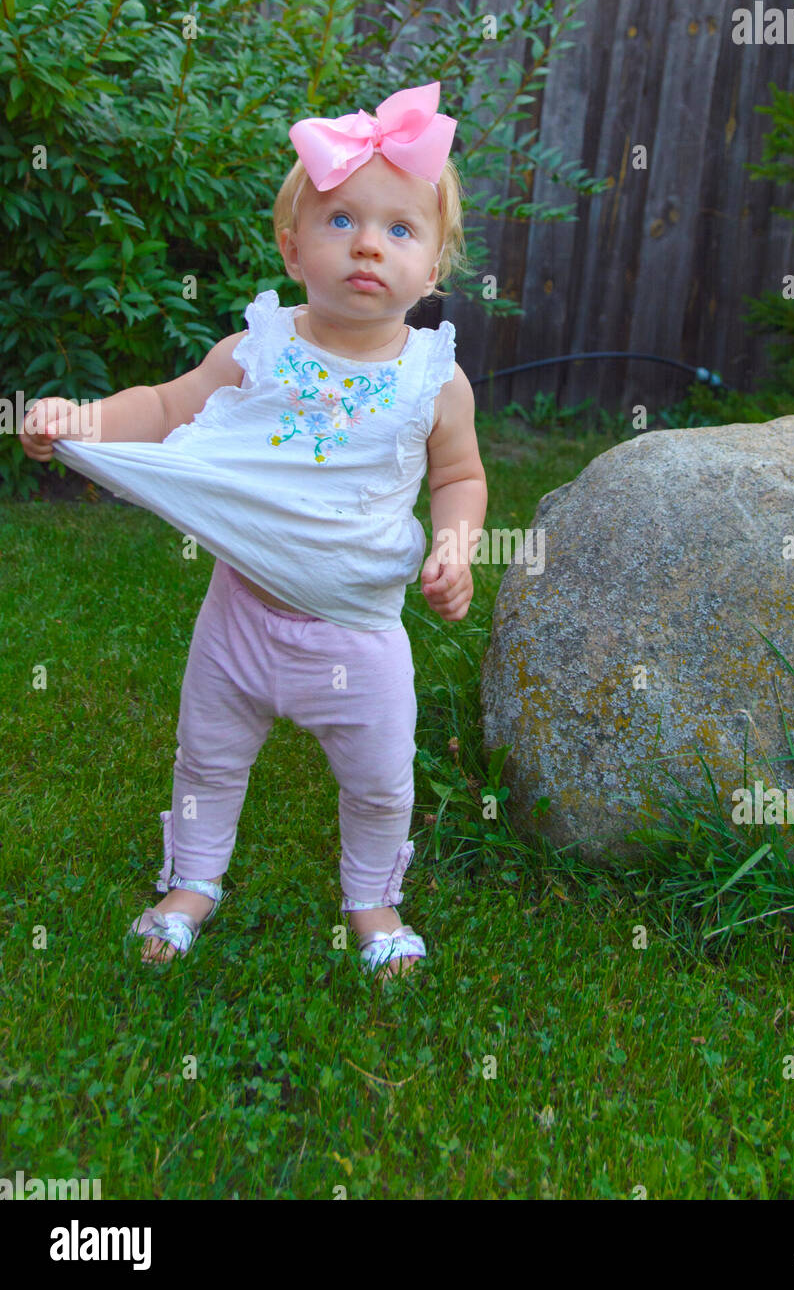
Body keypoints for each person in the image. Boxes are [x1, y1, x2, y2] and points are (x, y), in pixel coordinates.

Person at [18, 81, 487, 982]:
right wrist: (85, 420)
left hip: (356, 631)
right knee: (207, 758)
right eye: (341, 219)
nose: (366, 245)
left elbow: (459, 476)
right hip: (241, 617)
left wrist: (454, 543)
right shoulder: (258, 350)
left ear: (432, 270)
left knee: (382, 780)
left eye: (399, 230)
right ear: (291, 245)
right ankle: (192, 880)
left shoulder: (435, 381)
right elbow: (165, 407)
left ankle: (372, 900)